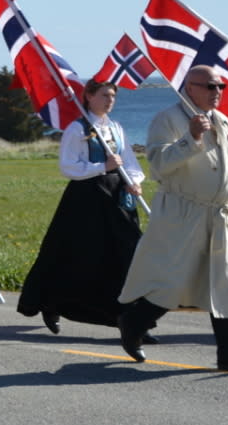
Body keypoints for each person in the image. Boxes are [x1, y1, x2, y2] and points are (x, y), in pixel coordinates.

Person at [118, 65, 228, 371]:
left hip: (221, 215)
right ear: (188, 87)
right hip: (184, 214)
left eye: (220, 87)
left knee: (226, 282)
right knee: (174, 282)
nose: (216, 92)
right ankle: (134, 322)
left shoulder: (223, 120)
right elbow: (158, 165)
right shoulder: (168, 119)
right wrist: (190, 139)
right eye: (209, 86)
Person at [18, 79, 145, 335]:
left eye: (113, 96)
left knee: (128, 254)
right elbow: (69, 166)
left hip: (117, 198)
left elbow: (129, 162)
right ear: (88, 96)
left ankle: (131, 317)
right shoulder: (77, 129)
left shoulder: (117, 128)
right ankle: (52, 302)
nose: (109, 100)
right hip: (87, 199)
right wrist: (102, 167)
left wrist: (135, 181)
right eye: (104, 95)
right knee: (79, 255)